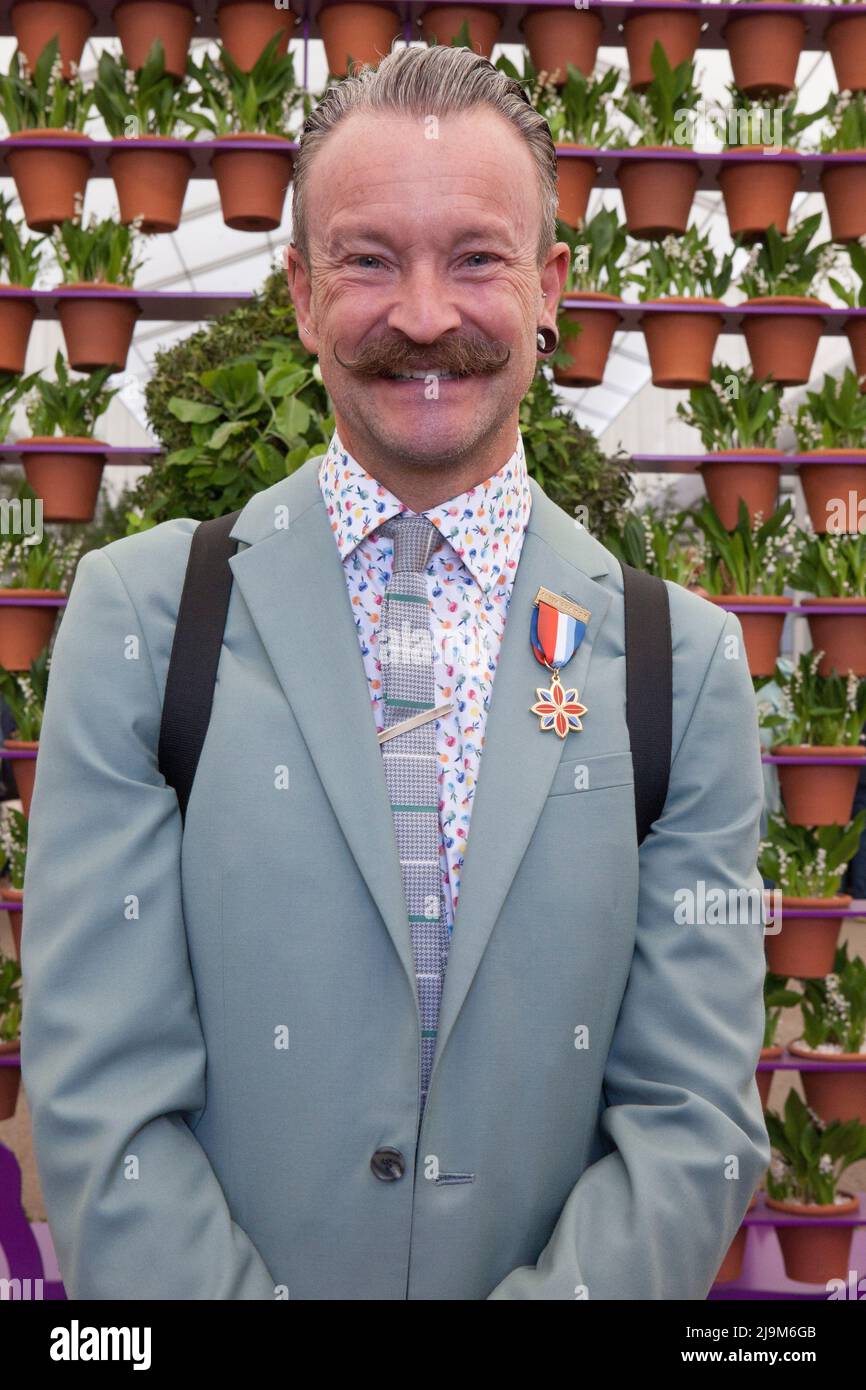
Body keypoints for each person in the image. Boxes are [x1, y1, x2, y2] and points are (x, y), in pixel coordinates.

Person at [20, 44, 770, 1301]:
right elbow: (99, 1090)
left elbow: (691, 1114)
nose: (423, 315)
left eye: (475, 257)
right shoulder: (148, 621)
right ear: (303, 296)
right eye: (368, 260)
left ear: (549, 287)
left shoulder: (676, 668)